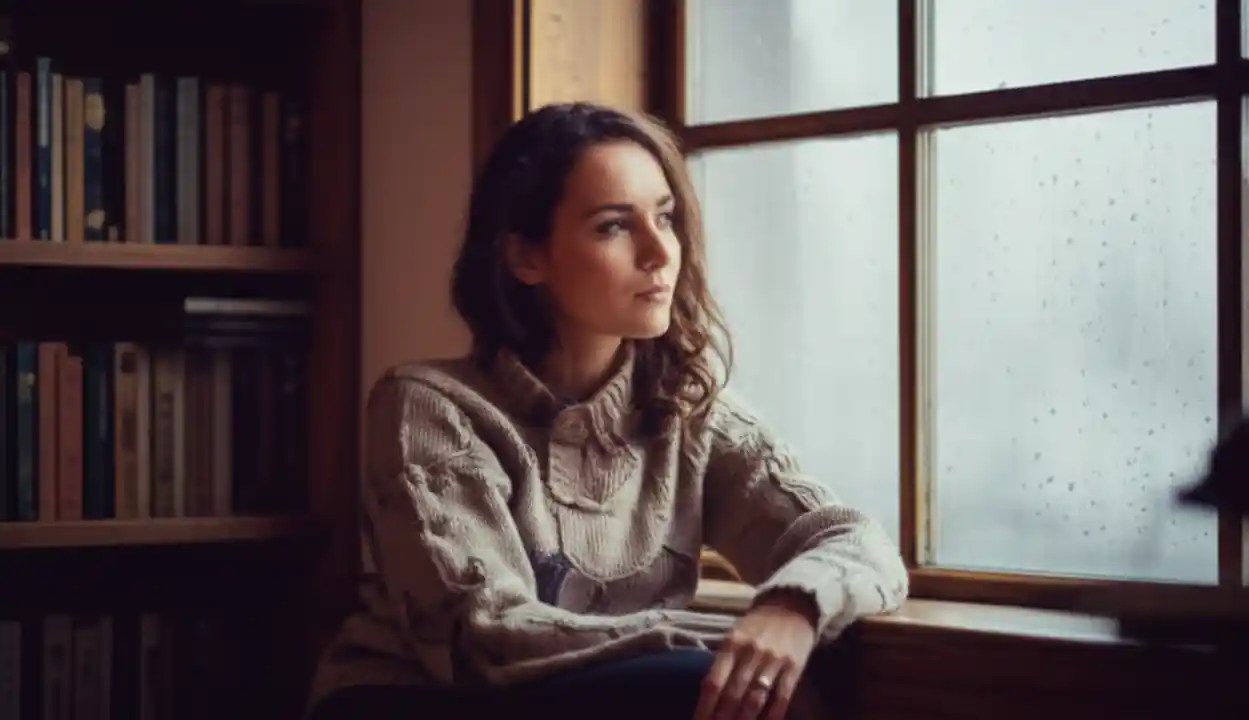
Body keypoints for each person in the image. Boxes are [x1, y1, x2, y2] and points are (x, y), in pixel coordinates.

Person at [307, 102, 908, 720]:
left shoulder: (690, 415)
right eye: (614, 226)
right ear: (525, 258)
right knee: (713, 683)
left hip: (610, 698)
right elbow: (485, 635)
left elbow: (855, 539)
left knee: (789, 665)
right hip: (415, 702)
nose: (660, 252)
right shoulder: (429, 407)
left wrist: (792, 607)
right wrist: (715, 642)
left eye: (666, 218)